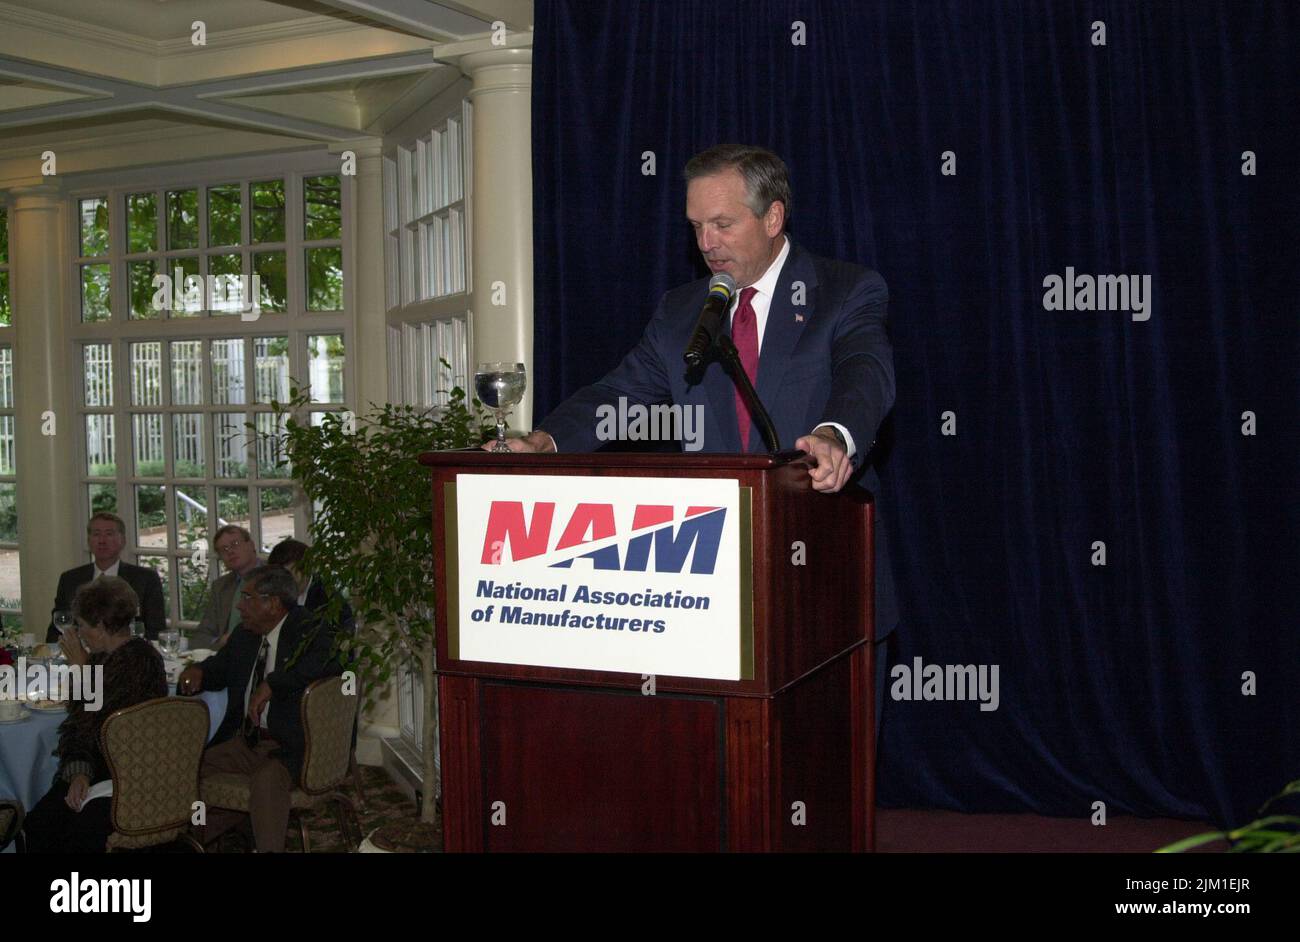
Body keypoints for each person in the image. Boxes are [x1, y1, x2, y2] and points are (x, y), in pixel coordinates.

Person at [494, 143, 898, 652]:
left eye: (722, 224)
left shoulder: (845, 290)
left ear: (773, 217)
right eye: (696, 227)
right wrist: (545, 441)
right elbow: (620, 394)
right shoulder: (683, 310)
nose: (707, 243)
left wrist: (834, 434)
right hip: (711, 584)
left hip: (823, 571)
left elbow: (865, 373)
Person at [177, 566, 341, 853]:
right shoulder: (245, 634)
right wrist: (198, 671)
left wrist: (273, 684)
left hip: (293, 748)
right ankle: (197, 839)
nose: (240, 605)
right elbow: (219, 669)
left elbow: (329, 663)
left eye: (247, 597)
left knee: (266, 783)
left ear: (273, 603)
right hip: (247, 742)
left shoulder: (311, 629)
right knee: (187, 766)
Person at [23, 577, 167, 853]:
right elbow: (79, 728)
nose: (78, 633)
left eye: (82, 626)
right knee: (39, 822)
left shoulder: (141, 660)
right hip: (97, 769)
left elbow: (109, 725)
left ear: (100, 627)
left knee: (67, 831)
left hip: (129, 773)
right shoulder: (102, 659)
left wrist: (81, 668)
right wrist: (79, 772)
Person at [46, 512, 166, 642]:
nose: (102, 541)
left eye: (109, 534)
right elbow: (56, 628)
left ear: (123, 540)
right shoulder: (70, 579)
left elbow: (156, 630)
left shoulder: (145, 579)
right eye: (96, 534)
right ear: (88, 541)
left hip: (129, 655)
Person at [190, 524, 262, 650]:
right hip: (225, 656)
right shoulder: (220, 587)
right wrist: (219, 642)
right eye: (224, 549)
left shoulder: (274, 577)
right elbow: (201, 636)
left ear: (251, 545)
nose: (230, 552)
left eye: (235, 544)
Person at [266, 538, 355, 635]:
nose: (280, 581)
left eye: (287, 574)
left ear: (305, 570)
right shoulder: (273, 595)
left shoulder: (328, 599)